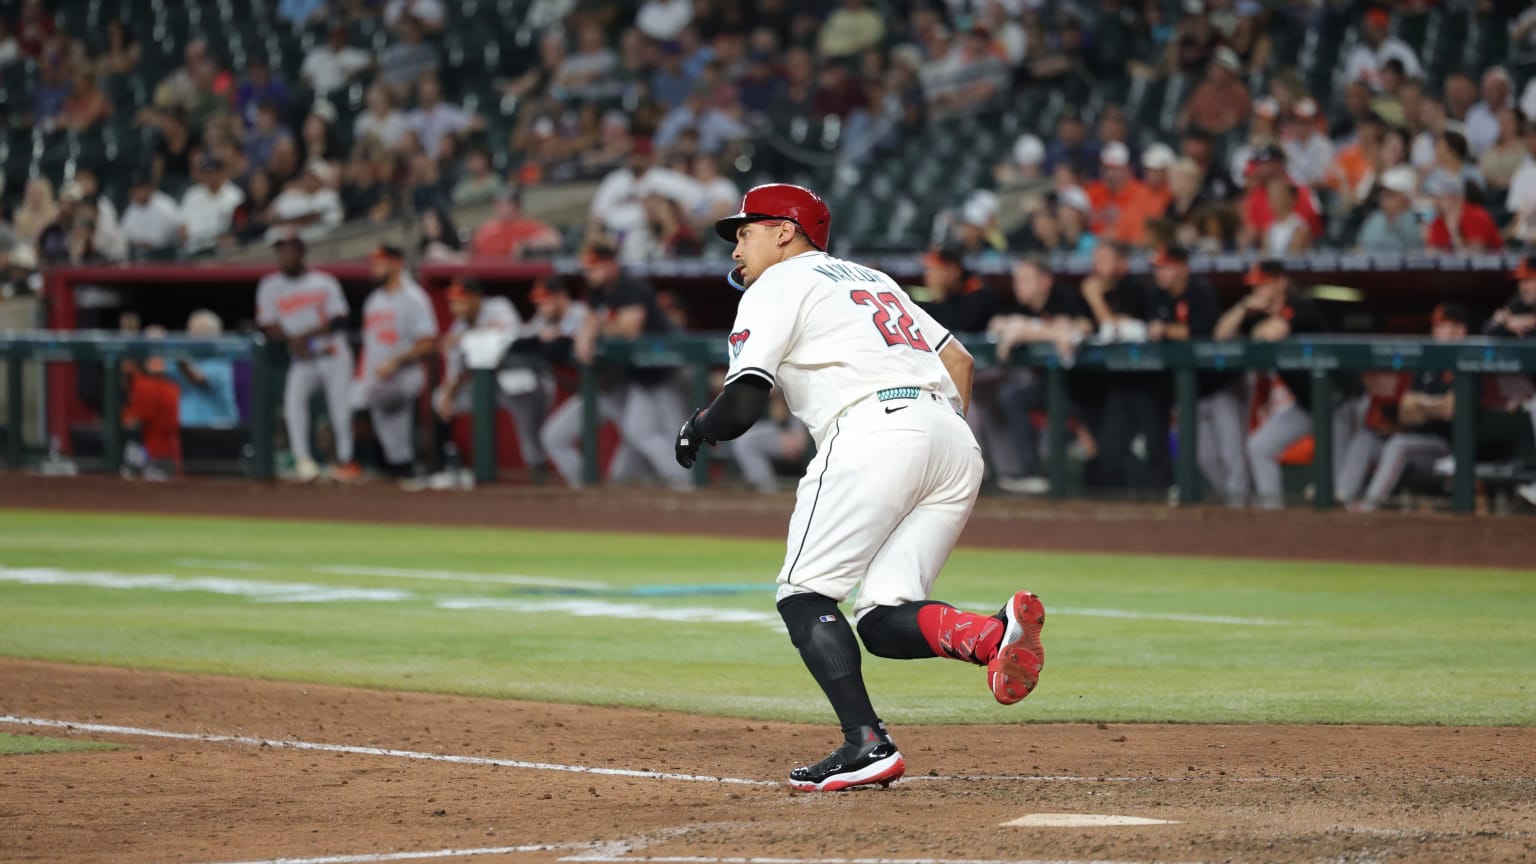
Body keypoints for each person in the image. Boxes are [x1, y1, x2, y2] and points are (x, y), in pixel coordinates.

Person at [674, 183, 1045, 792]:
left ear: (784, 232)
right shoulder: (872, 278)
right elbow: (961, 362)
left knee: (803, 593)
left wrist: (696, 428)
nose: (736, 245)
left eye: (745, 230)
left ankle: (865, 743)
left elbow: (742, 405)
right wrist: (936, 430)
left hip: (872, 432)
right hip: (951, 440)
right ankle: (990, 635)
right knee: (881, 618)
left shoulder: (778, 284)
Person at [1217, 260, 1367, 509]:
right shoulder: (1256, 313)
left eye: (1263, 285)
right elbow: (1221, 335)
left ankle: (1354, 533)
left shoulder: (1300, 306)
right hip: (1308, 404)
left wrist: (1256, 326)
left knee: (1341, 481)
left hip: (1341, 398)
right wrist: (1244, 307)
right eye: (1254, 287)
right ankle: (1273, 513)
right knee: (1260, 447)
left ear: (1281, 283)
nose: (1257, 291)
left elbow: (1272, 333)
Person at [541, 243, 693, 489]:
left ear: (611, 265)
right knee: (641, 434)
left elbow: (629, 329)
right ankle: (681, 483)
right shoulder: (598, 291)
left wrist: (598, 330)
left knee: (656, 433)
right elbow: (590, 323)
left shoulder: (629, 286)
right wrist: (584, 340)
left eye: (596, 269)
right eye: (588, 270)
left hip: (666, 371)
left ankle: (685, 483)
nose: (590, 275)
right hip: (638, 378)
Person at [1337, 303, 1468, 511]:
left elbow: (1449, 410)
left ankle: (1370, 505)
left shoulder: (1466, 361)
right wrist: (1429, 405)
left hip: (1444, 447)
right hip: (1414, 442)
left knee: (1399, 444)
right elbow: (1405, 410)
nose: (1437, 332)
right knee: (1365, 439)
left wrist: (1420, 404)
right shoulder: (1427, 364)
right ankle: (1341, 497)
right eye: (1437, 327)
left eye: (1444, 326)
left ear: (1460, 331)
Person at [1149, 246, 1249, 507]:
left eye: (1166, 267)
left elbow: (1203, 335)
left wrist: (1168, 330)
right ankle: (1230, 502)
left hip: (1221, 384)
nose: (1159, 273)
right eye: (1158, 267)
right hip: (1191, 392)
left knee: (1232, 452)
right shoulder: (1157, 297)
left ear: (1183, 267)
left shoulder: (1201, 292)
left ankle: (1241, 507)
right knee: (1202, 456)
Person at [423, 278, 546, 486]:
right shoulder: (458, 326)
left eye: (462, 300)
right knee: (439, 400)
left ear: (477, 299)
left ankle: (539, 478)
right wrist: (448, 395)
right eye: (454, 302)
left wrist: (465, 336)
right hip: (484, 387)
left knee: (529, 436)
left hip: (515, 383)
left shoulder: (498, 306)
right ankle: (442, 467)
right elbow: (456, 370)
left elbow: (507, 338)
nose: (457, 307)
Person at [986, 256, 1093, 494]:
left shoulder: (1063, 297)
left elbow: (1079, 328)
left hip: (1085, 387)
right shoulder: (1022, 304)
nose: (1018, 286)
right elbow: (996, 324)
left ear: (1044, 281)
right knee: (1012, 396)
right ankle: (1030, 472)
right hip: (1049, 386)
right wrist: (1023, 327)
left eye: (1025, 280)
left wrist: (1022, 331)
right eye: (1017, 280)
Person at [256, 231, 358, 482]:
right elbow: (267, 324)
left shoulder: (324, 282)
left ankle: (345, 461)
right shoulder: (270, 286)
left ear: (301, 252)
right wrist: (294, 340)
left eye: (290, 249)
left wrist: (305, 336)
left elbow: (339, 319)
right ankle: (303, 461)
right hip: (301, 359)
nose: (285, 255)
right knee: (293, 406)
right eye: (281, 250)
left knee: (341, 410)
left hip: (332, 354)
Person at [355, 245, 439, 479]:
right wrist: (361, 375)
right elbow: (368, 345)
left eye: (379, 263)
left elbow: (428, 342)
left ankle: (354, 462)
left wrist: (395, 361)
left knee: (358, 406)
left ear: (396, 263)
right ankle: (402, 471)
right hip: (376, 376)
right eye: (373, 263)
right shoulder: (373, 301)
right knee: (394, 438)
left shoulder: (414, 298)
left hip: (405, 376)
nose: (374, 268)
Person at [170, 309, 240, 430]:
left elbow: (197, 378)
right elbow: (154, 372)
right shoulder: (183, 360)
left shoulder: (221, 362)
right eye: (193, 332)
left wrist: (178, 353)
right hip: (186, 430)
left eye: (203, 332)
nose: (195, 336)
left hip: (218, 431)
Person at [916, 243, 998, 333]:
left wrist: (940, 298)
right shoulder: (940, 293)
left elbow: (954, 331)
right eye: (928, 269)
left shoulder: (977, 292)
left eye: (936, 269)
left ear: (953, 270)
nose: (929, 276)